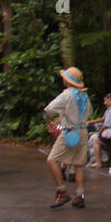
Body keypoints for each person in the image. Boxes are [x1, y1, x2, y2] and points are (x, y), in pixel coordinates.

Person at [45, 67, 93, 208]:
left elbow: (49, 109)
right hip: (82, 132)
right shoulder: (84, 96)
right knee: (78, 165)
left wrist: (49, 123)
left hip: (69, 133)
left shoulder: (66, 95)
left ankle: (62, 191)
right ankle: (80, 196)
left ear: (67, 81)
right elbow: (88, 112)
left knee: (52, 160)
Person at [88, 91, 111, 167]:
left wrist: (98, 133)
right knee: (94, 135)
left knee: (94, 139)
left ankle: (99, 161)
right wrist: (90, 122)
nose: (104, 103)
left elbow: (106, 125)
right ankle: (102, 156)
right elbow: (103, 119)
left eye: (105, 101)